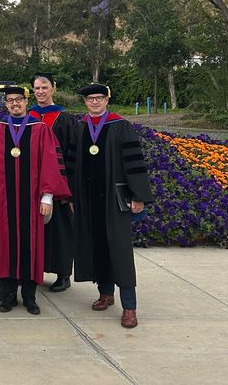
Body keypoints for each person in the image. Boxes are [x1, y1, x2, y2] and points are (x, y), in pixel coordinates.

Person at [0, 86, 71, 316]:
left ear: (26, 102)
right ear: (5, 104)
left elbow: (50, 165)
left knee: (31, 247)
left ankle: (30, 297)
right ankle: (8, 295)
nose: (15, 104)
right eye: (10, 100)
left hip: (32, 201)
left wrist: (47, 196)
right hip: (2, 201)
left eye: (19, 99)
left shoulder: (40, 130)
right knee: (5, 246)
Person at [67, 83, 154, 329]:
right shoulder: (80, 127)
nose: (94, 102)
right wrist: (72, 197)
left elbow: (134, 163)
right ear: (85, 102)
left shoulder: (121, 126)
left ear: (107, 100)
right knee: (97, 245)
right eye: (90, 99)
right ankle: (105, 293)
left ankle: (129, 306)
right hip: (87, 198)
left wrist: (137, 196)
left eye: (99, 98)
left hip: (115, 199)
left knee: (120, 250)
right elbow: (72, 164)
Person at [28, 73, 75, 292]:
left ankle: (63, 274)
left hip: (57, 186)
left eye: (44, 87)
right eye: (37, 88)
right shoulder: (28, 115)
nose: (40, 92)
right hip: (30, 185)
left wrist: (68, 189)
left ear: (53, 88)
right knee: (35, 230)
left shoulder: (63, 118)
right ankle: (35, 271)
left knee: (59, 230)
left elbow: (70, 155)